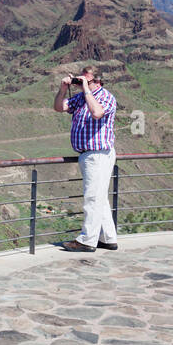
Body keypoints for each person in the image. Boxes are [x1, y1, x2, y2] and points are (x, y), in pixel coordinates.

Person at [54, 66, 119, 252]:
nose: (82, 84)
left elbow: (97, 113)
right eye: (80, 80)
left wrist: (87, 90)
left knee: (92, 198)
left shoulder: (106, 96)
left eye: (87, 81)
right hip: (87, 155)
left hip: (98, 154)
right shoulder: (81, 97)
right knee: (99, 198)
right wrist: (63, 89)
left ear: (98, 81)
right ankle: (107, 238)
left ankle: (87, 240)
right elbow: (59, 107)